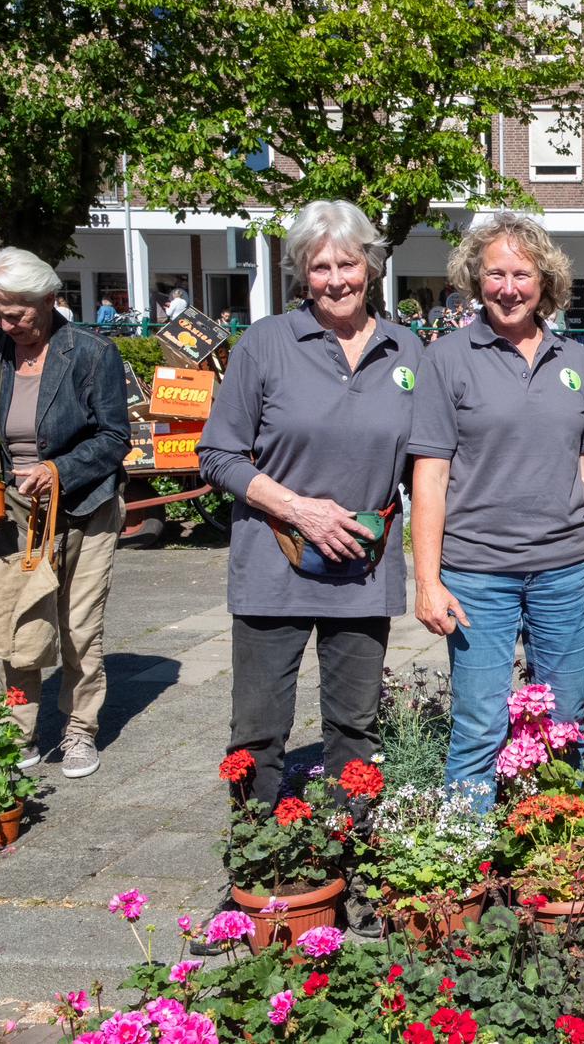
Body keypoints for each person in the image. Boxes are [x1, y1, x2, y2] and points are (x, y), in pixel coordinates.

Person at [199, 200, 422, 802]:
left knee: (356, 729)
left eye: (348, 263)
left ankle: (349, 851)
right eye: (320, 267)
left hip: (361, 571)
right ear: (302, 272)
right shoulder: (265, 344)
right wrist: (301, 510)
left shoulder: (408, 352)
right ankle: (256, 860)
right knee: (259, 729)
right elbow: (218, 455)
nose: (336, 280)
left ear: (370, 267)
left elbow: (428, 464)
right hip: (274, 565)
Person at [410, 213, 584, 810]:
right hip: (478, 574)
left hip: (564, 571)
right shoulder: (447, 359)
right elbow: (431, 473)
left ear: (544, 281)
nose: (508, 287)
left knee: (564, 724)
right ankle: (465, 864)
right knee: (479, 726)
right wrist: (427, 581)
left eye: (521, 274)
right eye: (494, 273)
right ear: (475, 281)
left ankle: (559, 859)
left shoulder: (576, 362)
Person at [0, 248, 130, 780]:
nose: (6, 323)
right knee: (18, 622)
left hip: (83, 507)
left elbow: (114, 437)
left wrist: (57, 470)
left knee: (79, 627)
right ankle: (16, 735)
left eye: (17, 312)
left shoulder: (91, 354)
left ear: (51, 300)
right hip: (15, 514)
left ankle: (79, 733)